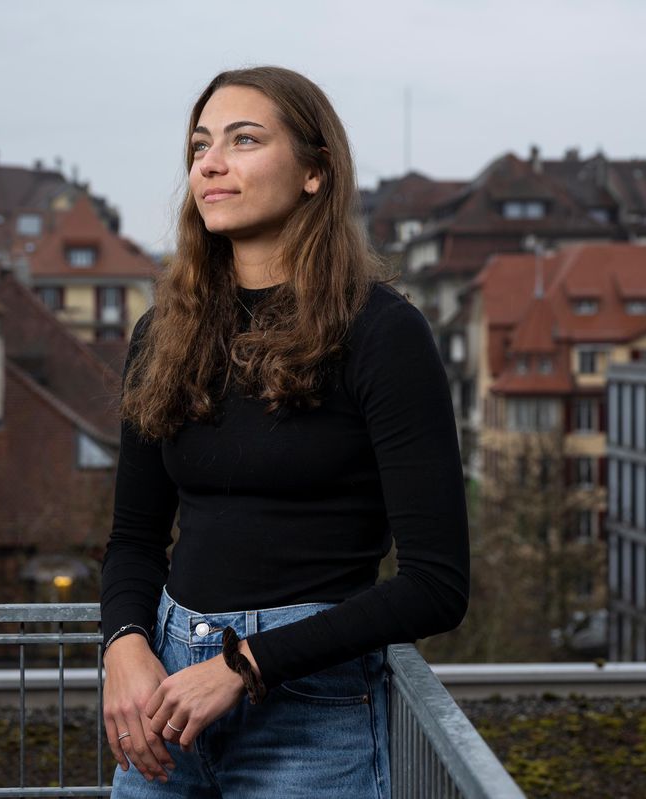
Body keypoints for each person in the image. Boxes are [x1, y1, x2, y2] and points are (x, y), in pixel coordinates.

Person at [100, 65, 469, 798]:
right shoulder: (164, 332)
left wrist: (247, 664)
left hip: (311, 711)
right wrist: (125, 646)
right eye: (201, 144)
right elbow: (134, 540)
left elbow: (437, 585)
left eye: (244, 140)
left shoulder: (383, 334)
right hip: (167, 705)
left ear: (314, 172)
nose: (210, 162)